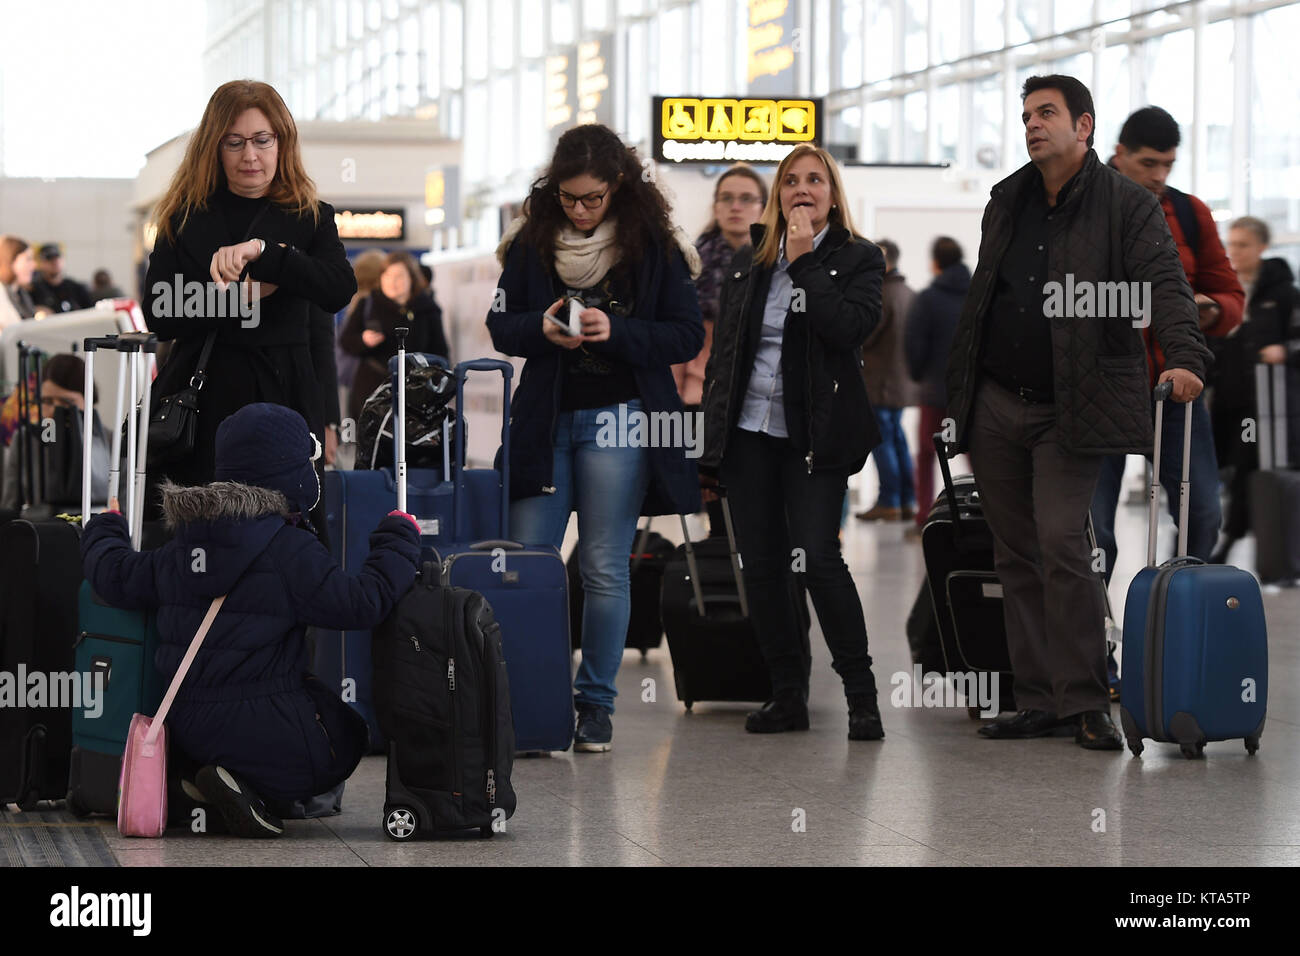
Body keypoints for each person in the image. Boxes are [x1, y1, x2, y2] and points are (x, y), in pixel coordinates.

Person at [944, 75, 1211, 750]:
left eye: (1046, 113)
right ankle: (1038, 698)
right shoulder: (1008, 198)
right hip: (998, 401)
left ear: (1084, 126)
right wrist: (959, 399)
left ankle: (1087, 697)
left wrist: (1185, 358)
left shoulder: (1126, 205)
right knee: (1015, 554)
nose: (1032, 124)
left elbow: (1167, 285)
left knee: (1064, 543)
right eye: (1027, 114)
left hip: (1077, 404)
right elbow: (983, 301)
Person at [81, 403, 420, 837]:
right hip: (260, 723)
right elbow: (361, 603)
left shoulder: (183, 543)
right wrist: (398, 538)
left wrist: (104, 529)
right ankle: (254, 786)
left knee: (306, 694)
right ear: (289, 475)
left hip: (182, 721)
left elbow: (118, 575)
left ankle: (199, 779)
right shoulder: (289, 551)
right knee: (346, 736)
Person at [487, 123, 704, 753]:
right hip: (545, 421)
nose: (579, 210)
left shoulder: (653, 247)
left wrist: (620, 332)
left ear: (619, 188)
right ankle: (530, 699)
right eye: (568, 198)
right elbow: (502, 325)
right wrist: (543, 328)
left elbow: (685, 335)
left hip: (622, 418)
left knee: (607, 566)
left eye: (592, 198)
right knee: (528, 565)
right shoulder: (530, 243)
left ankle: (596, 706)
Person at [700, 143, 887, 741]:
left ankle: (861, 696)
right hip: (750, 433)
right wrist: (711, 444)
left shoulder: (859, 257)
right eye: (791, 181)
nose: (802, 190)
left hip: (815, 437)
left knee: (818, 558)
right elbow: (727, 355)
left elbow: (850, 329)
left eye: (815, 180)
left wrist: (806, 260)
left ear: (833, 193)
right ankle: (787, 694)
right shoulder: (750, 261)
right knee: (762, 567)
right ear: (779, 194)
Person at [142, 80, 356, 530]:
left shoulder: (311, 217)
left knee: (288, 537)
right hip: (205, 397)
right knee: (202, 534)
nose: (250, 156)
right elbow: (159, 312)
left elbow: (337, 290)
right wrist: (238, 300)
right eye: (234, 143)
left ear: (282, 141)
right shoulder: (184, 216)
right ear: (214, 148)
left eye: (263, 140)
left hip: (288, 399)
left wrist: (269, 254)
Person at [1090, 106, 1244, 584]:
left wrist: (1210, 310)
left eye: (1168, 165)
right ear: (1119, 154)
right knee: (1094, 535)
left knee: (1202, 518)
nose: (1159, 176)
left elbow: (1230, 295)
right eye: (1148, 164)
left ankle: (1175, 625)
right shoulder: (1082, 206)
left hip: (1175, 392)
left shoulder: (1190, 213)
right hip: (1098, 394)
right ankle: (1094, 644)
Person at [675, 163, 768, 536]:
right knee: (717, 512)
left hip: (762, 398)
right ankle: (723, 587)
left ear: (763, 206)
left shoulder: (777, 264)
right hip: (702, 396)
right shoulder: (690, 263)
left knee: (760, 511)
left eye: (747, 199)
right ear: (715, 206)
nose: (736, 207)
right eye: (726, 198)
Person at [1212, 216, 1298, 561]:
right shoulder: (1225, 290)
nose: (1235, 252)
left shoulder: (1283, 295)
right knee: (1220, 468)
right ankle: (1210, 540)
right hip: (1223, 401)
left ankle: (1229, 542)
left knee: (1245, 467)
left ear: (1262, 247)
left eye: (1243, 245)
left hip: (1261, 406)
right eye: (1231, 244)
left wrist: (1284, 352)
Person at [904, 236, 970, 536]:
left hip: (934, 391)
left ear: (935, 263)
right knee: (978, 456)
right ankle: (990, 513)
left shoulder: (928, 298)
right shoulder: (976, 294)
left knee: (927, 454)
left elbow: (914, 343)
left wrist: (918, 375)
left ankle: (924, 517)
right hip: (969, 393)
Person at [338, 250, 448, 424]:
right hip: (372, 389)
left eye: (399, 276)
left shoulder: (427, 309)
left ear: (411, 278)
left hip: (416, 393)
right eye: (387, 276)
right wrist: (363, 340)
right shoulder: (368, 303)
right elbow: (346, 341)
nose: (392, 282)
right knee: (374, 447)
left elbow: (440, 351)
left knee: (411, 446)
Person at [855, 238, 918, 522]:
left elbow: (864, 334)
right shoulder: (908, 293)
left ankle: (888, 501)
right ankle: (906, 500)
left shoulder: (881, 294)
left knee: (882, 442)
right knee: (898, 441)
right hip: (901, 384)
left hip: (880, 383)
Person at [0, 354, 111, 512]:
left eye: (66, 402)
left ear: (89, 401)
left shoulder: (112, 442)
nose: (54, 411)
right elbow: (10, 507)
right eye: (47, 402)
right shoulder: (26, 439)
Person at [30, 243, 94, 313]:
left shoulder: (77, 288)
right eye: (49, 259)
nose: (55, 262)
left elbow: (91, 312)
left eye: (57, 257)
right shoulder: (33, 291)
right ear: (41, 263)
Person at [0, 235, 41, 326]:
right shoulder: (2, 294)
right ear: (10, 261)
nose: (34, 265)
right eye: (28, 259)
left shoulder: (21, 294)